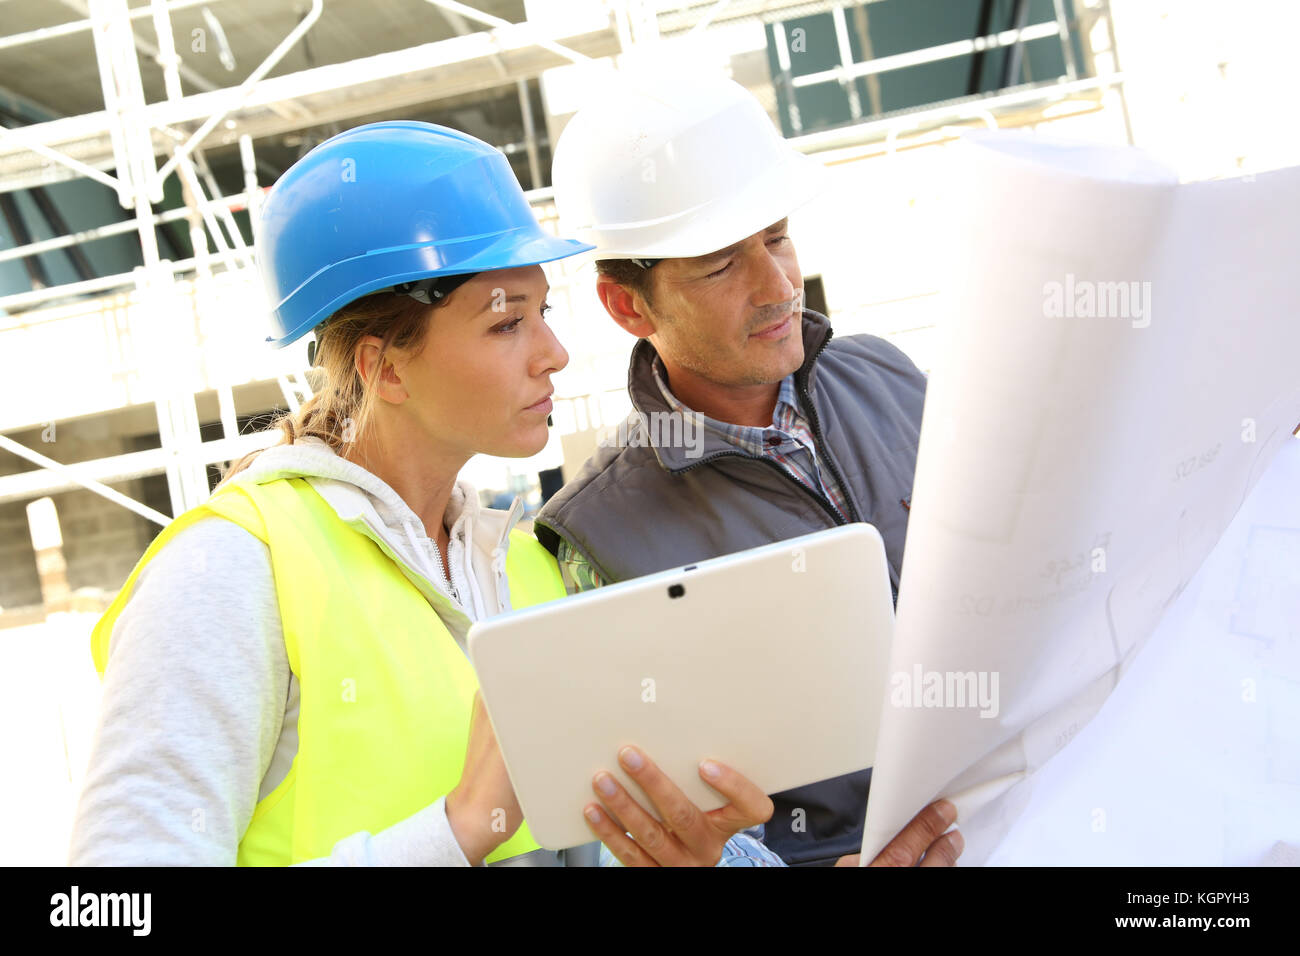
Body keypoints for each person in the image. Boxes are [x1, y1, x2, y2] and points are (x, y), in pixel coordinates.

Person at [69, 120, 598, 866]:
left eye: (543, 314)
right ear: (385, 370)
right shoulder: (232, 570)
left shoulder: (528, 569)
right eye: (506, 322)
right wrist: (456, 831)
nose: (554, 354)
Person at [536, 74, 955, 867]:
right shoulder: (599, 536)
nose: (778, 285)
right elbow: (672, 829)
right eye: (722, 264)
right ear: (629, 307)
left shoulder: (890, 378)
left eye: (777, 237)